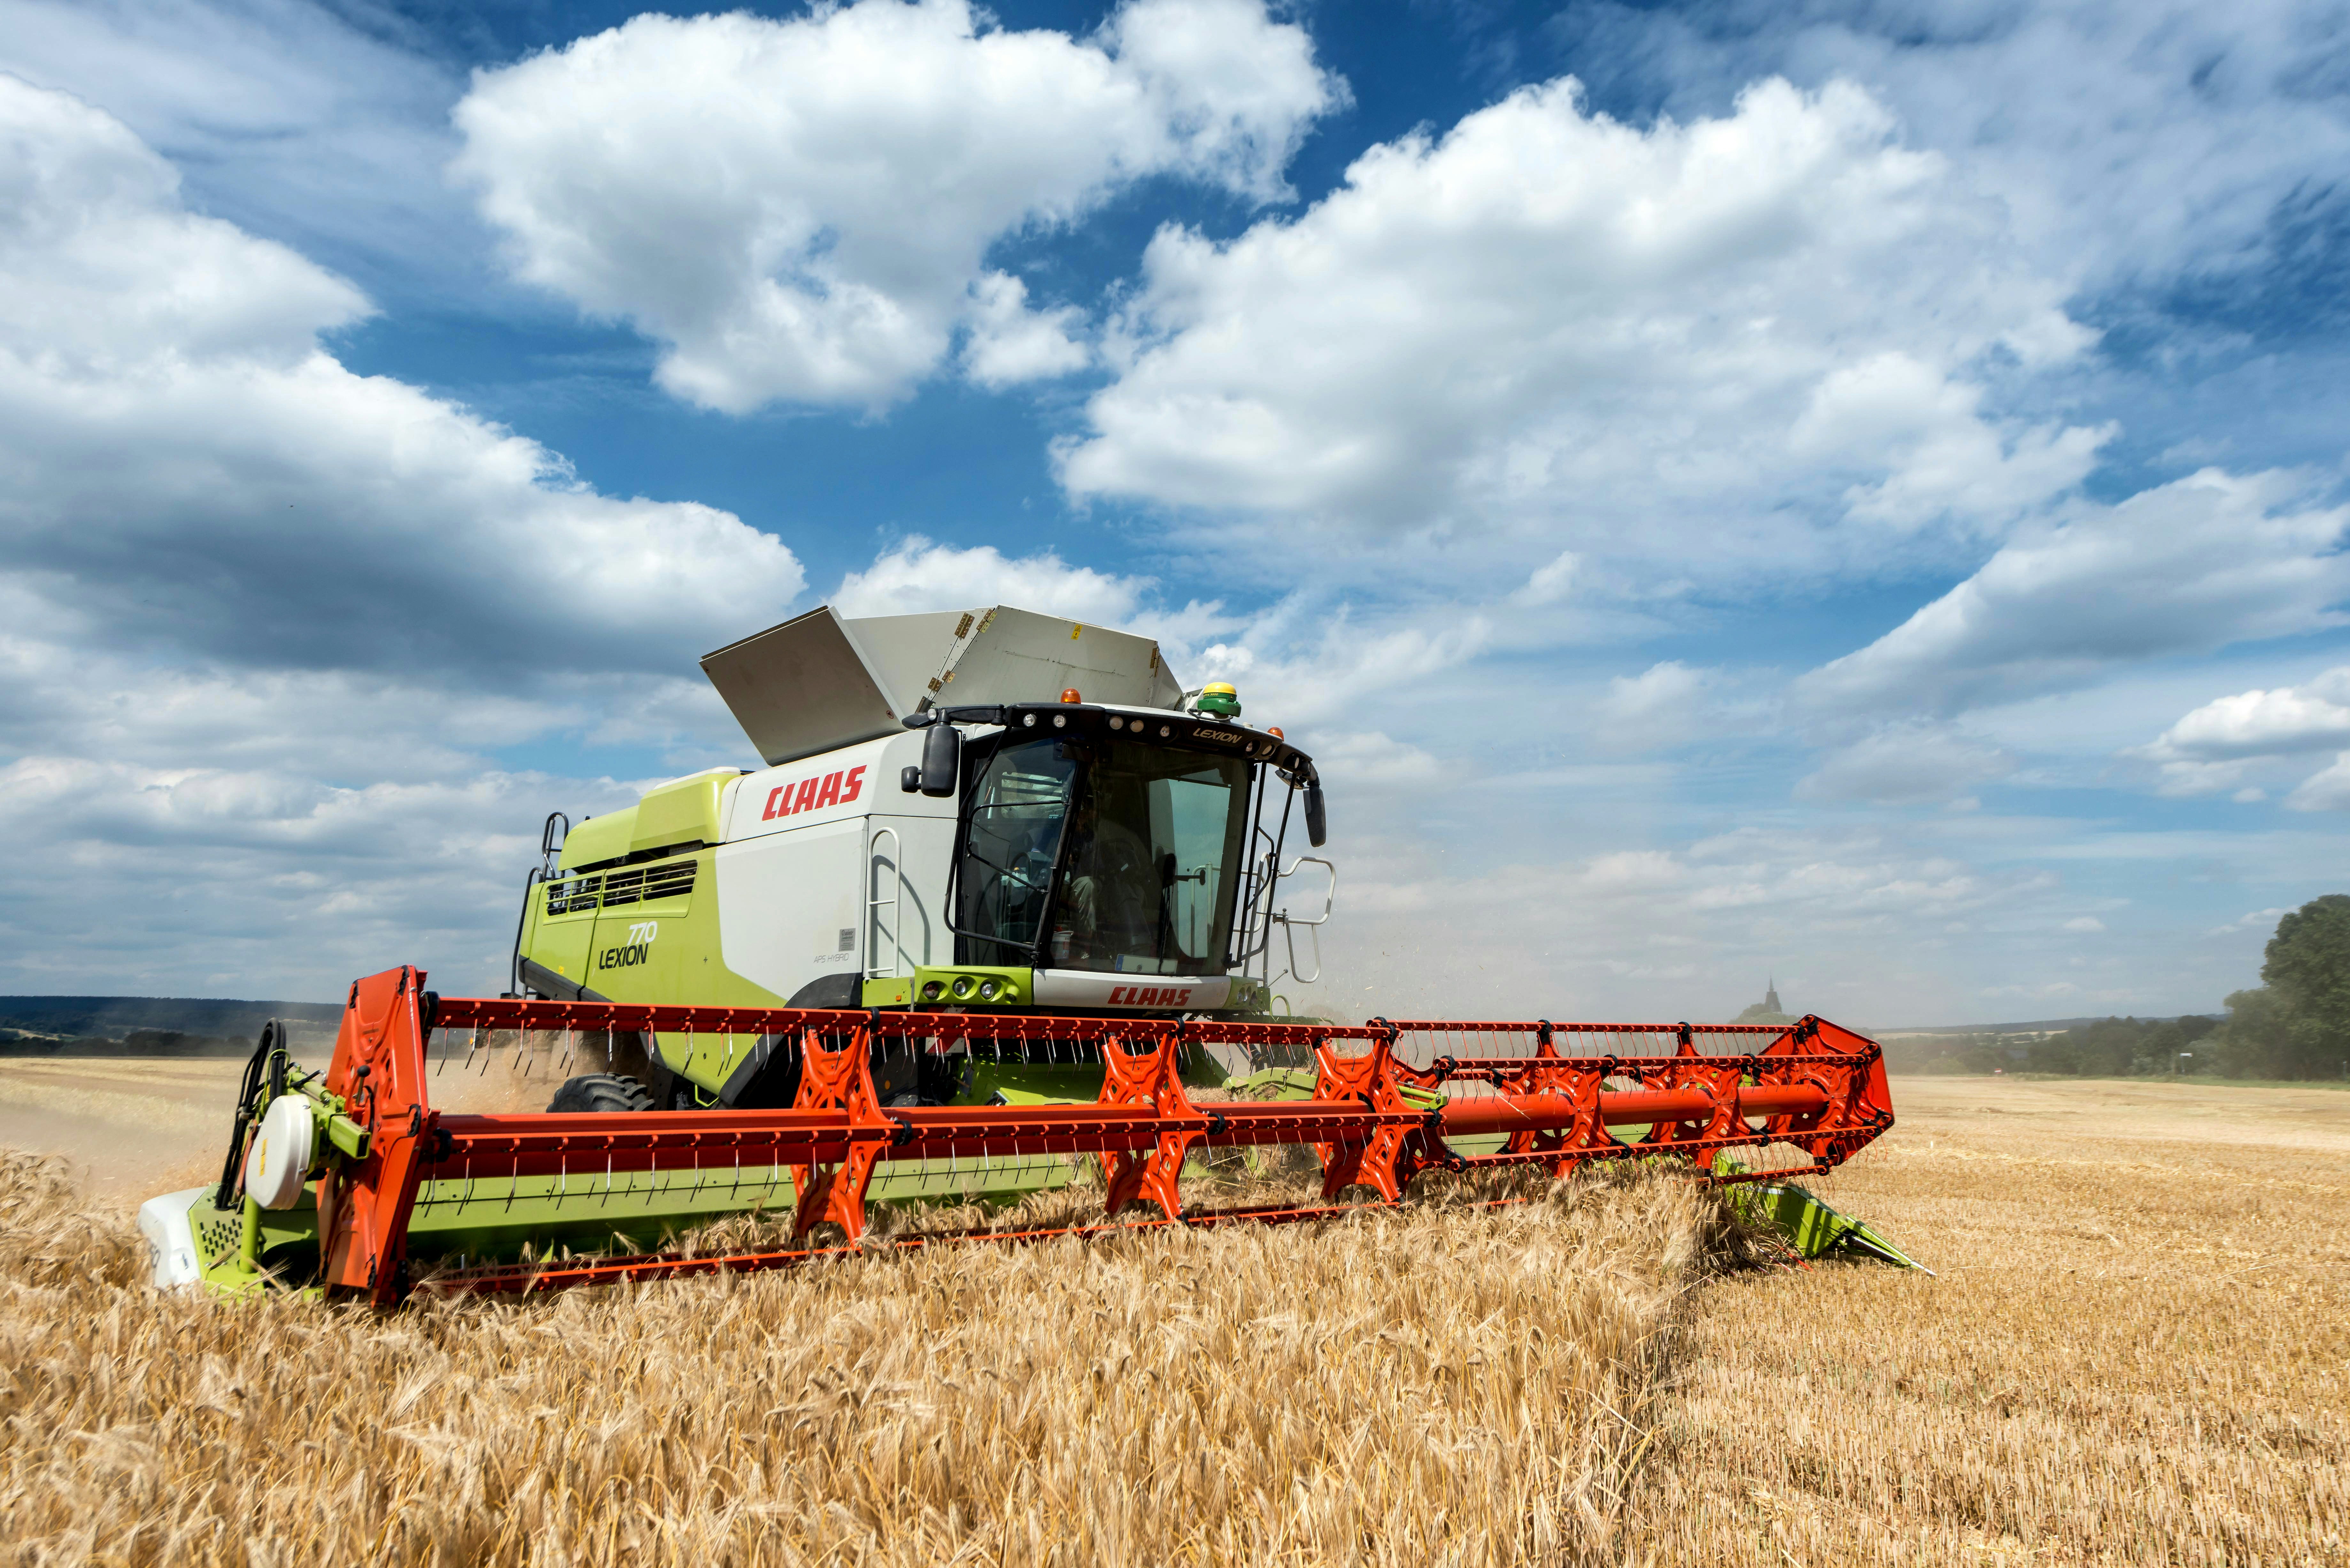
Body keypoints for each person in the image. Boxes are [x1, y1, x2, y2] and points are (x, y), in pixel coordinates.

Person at [1051, 786, 1158, 965]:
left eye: (1091, 811)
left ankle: (1137, 946)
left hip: (1095, 885)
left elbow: (1099, 866)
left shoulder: (1091, 836)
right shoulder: (1060, 830)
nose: (1088, 815)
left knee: (1135, 891)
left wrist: (1113, 868)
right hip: (1064, 887)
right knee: (1088, 885)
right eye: (1085, 810)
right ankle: (1086, 945)